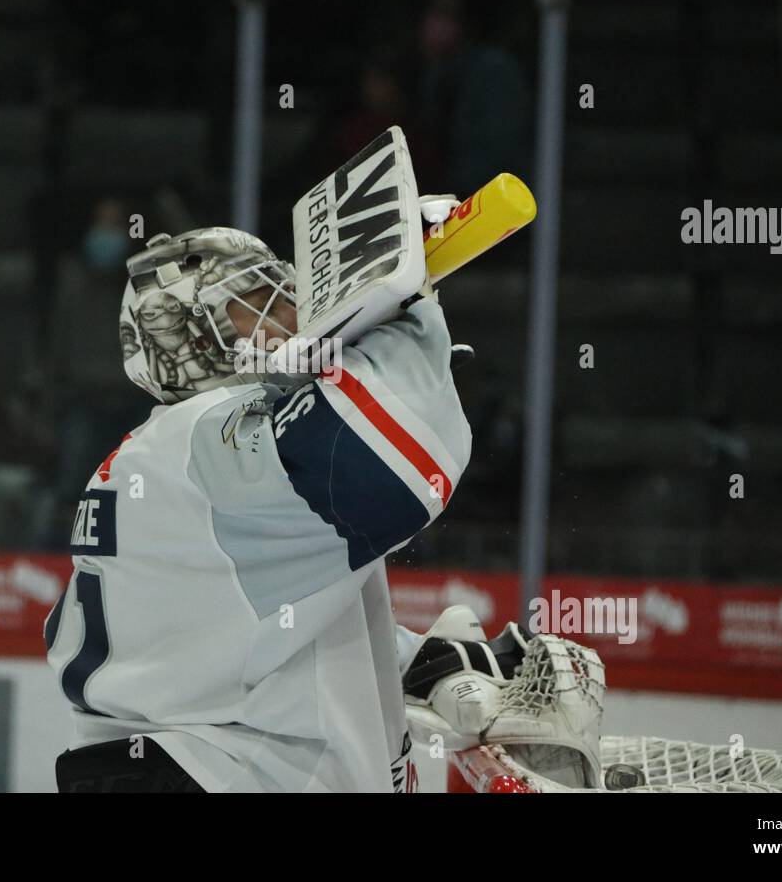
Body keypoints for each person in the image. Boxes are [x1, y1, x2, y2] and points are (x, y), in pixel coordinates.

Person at [44, 224, 538, 792]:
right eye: (259, 302)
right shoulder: (208, 438)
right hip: (209, 774)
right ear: (195, 338)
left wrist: (419, 661)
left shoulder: (160, 458)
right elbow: (398, 464)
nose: (294, 309)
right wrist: (405, 303)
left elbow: (243, 630)